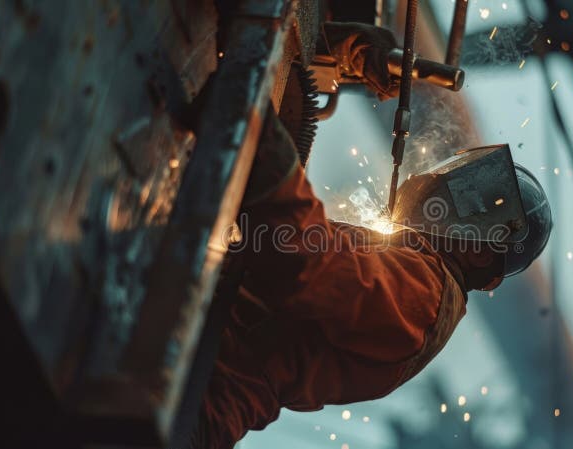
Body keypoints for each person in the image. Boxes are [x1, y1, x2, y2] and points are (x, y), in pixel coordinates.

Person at [189, 23, 552, 449]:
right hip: (191, 354)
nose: (455, 192)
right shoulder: (418, 272)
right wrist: (343, 51)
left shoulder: (422, 297)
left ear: (482, 257)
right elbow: (274, 240)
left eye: (474, 198)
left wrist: (255, 122)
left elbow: (306, 260)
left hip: (194, 391)